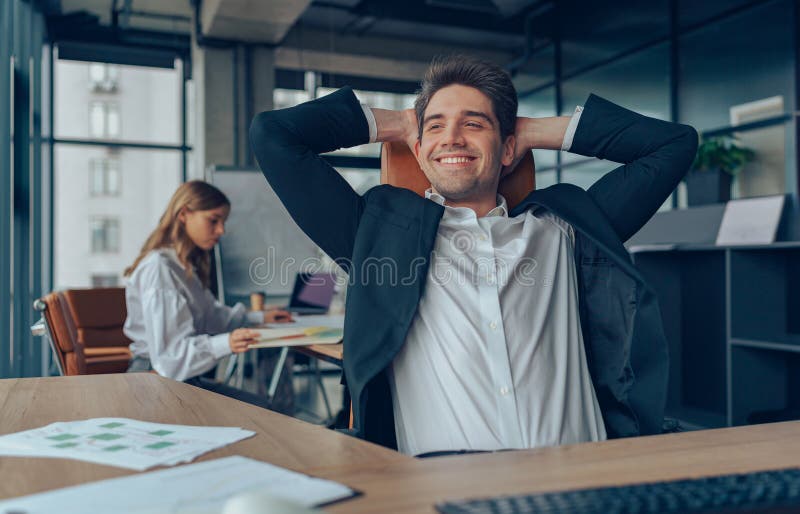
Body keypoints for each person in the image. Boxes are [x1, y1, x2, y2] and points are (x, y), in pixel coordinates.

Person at [249, 55, 698, 455]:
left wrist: (533, 130)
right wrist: (401, 124)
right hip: (446, 493)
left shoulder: (564, 227)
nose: (453, 138)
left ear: (507, 149)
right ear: (420, 151)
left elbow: (672, 145)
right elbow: (274, 136)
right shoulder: (376, 232)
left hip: (582, 485)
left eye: (474, 123)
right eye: (437, 126)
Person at [123, 180, 291, 406]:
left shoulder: (184, 266)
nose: (221, 230)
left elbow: (212, 316)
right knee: (266, 413)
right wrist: (226, 343)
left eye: (223, 222)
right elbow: (170, 358)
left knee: (267, 410)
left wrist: (257, 317)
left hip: (179, 377)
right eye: (213, 220)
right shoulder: (160, 269)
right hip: (154, 380)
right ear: (184, 214)